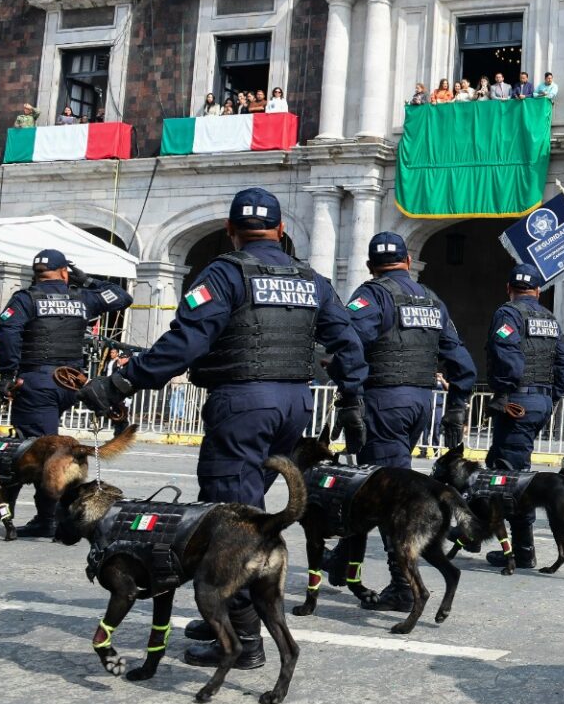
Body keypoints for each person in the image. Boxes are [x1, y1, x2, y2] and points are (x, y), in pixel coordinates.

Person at [79, 188, 367, 669]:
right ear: (280, 231)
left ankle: (243, 640)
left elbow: (186, 343)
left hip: (243, 402)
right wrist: (353, 397)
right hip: (294, 406)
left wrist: (121, 382)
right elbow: (348, 341)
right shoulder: (311, 279)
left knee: (231, 521)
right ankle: (237, 610)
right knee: (250, 510)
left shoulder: (225, 271)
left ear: (232, 232)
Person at [343, 232, 477, 609]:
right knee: (389, 482)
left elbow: (350, 343)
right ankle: (346, 562)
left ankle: (402, 584)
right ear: (407, 260)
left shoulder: (373, 294)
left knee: (389, 495)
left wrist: (349, 392)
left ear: (371, 266)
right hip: (420, 401)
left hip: (385, 398)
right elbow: (461, 361)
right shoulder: (432, 300)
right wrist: (456, 406)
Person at [0, 250, 130, 537]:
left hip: (35, 384)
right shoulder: (82, 297)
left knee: (41, 452)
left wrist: (8, 374)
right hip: (71, 383)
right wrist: (88, 279)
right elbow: (121, 296)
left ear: (36, 274)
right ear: (64, 272)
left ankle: (48, 519)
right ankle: (60, 513)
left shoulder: (25, 299)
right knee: (53, 448)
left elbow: (8, 333)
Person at [484, 263, 564, 569]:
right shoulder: (550, 319)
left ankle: (522, 551)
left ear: (509, 288)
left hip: (518, 401)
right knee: (500, 462)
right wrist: (550, 397)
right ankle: (489, 531)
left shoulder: (508, 313)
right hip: (541, 400)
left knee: (513, 476)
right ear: (538, 291)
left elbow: (507, 355)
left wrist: (506, 392)